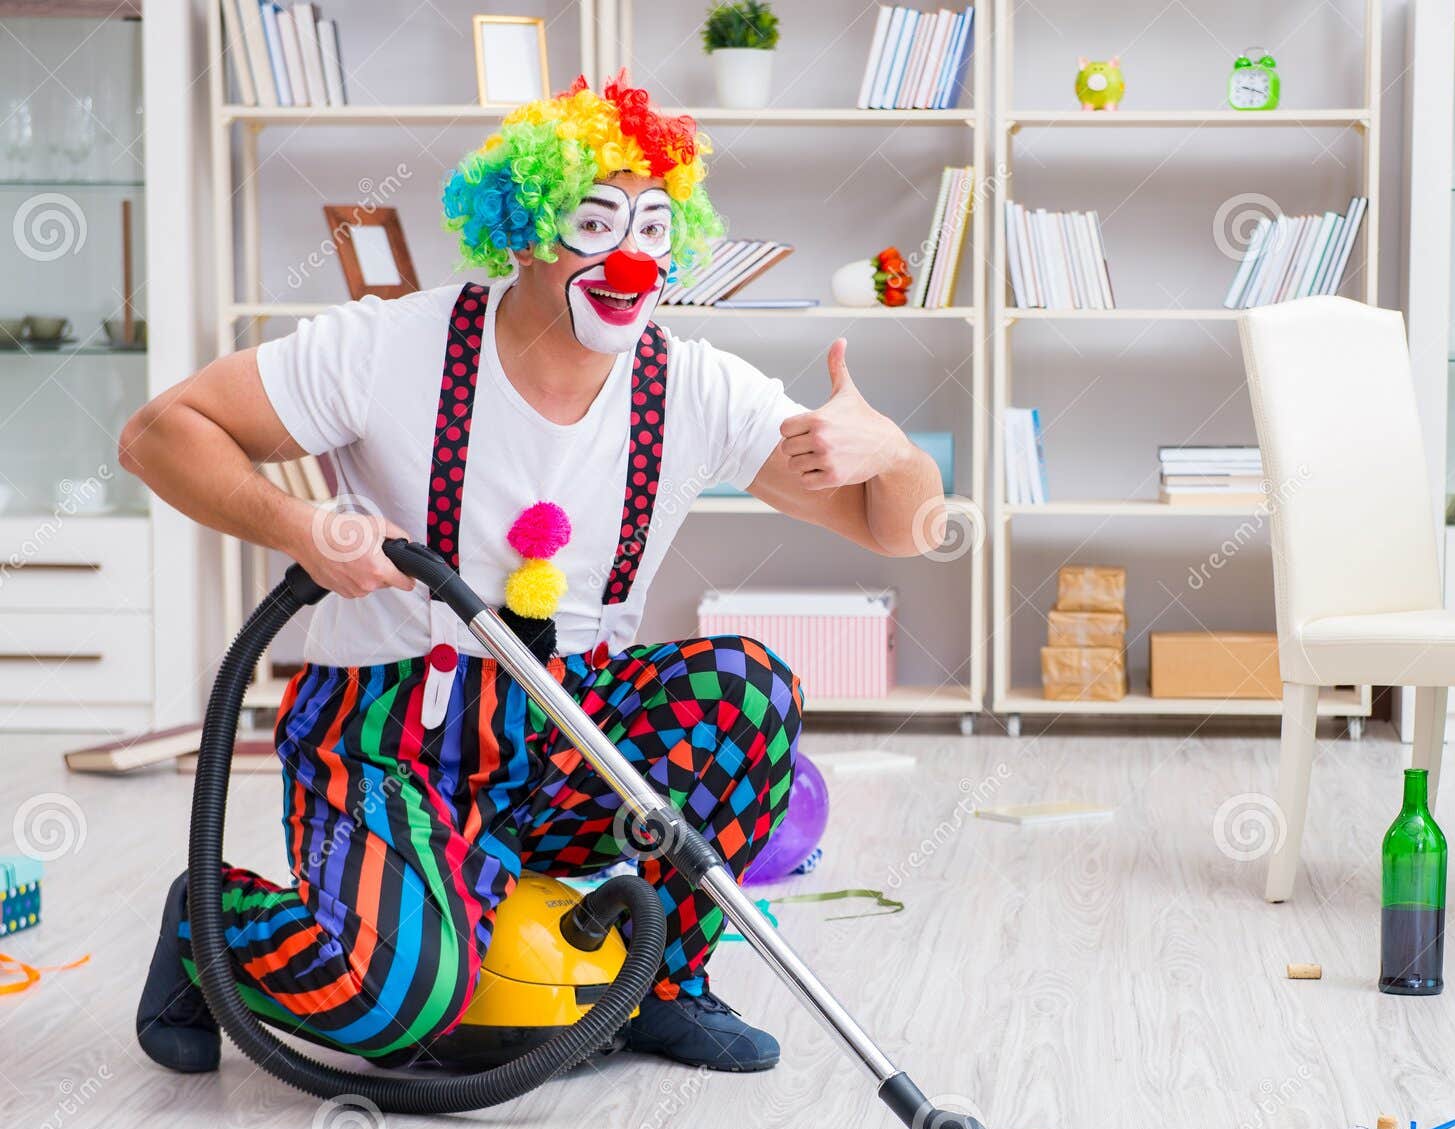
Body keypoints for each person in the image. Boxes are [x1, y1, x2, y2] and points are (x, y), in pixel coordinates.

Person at [123, 74, 944, 1078]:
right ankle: (210, 928)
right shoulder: (387, 348)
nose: (630, 257)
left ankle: (659, 981)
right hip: (386, 732)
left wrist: (894, 453)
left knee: (745, 687)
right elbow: (160, 432)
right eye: (595, 224)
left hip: (566, 724)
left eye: (650, 225)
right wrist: (300, 524)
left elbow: (894, 528)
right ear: (519, 229)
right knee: (402, 1003)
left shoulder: (692, 383)